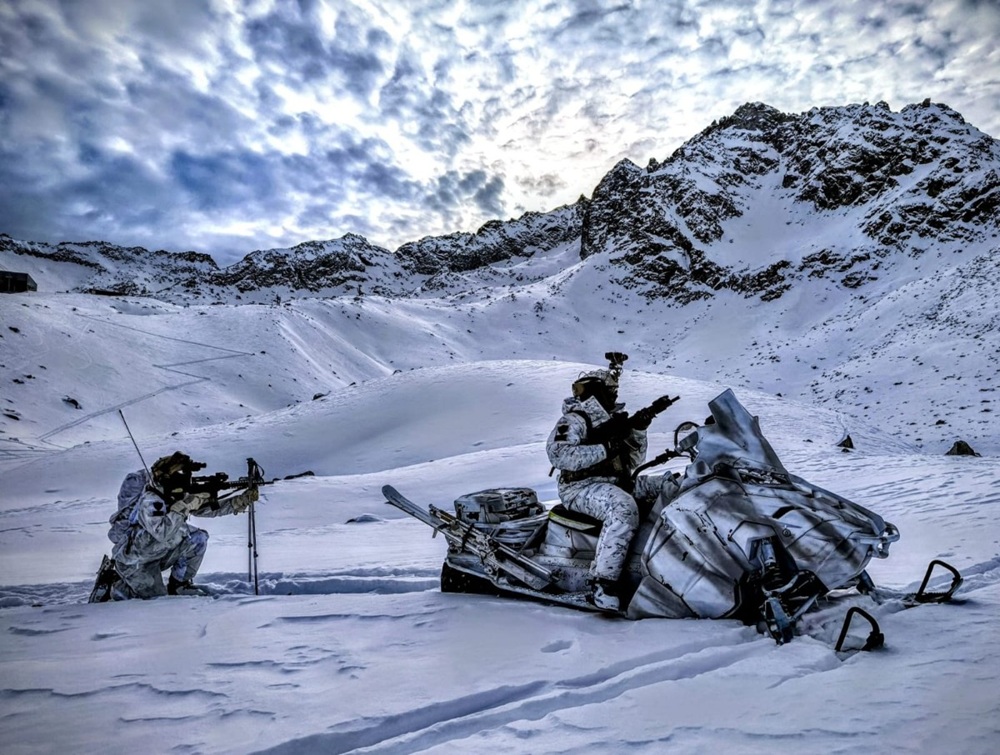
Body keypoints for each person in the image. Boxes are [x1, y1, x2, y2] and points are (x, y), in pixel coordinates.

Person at [546, 357, 678, 612]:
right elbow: (559, 455)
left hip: (618, 481)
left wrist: (638, 430)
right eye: (610, 391)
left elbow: (634, 461)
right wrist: (605, 449)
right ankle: (603, 583)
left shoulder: (614, 420)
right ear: (596, 392)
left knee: (670, 484)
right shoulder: (574, 420)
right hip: (580, 487)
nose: (614, 396)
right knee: (623, 508)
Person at [103, 451, 258, 600]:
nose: (181, 478)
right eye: (176, 474)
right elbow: (162, 533)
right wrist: (185, 506)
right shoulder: (150, 500)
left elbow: (205, 509)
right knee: (154, 600)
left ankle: (179, 584)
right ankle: (116, 585)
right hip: (136, 562)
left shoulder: (172, 494)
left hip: (158, 553)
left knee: (197, 538)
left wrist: (238, 502)